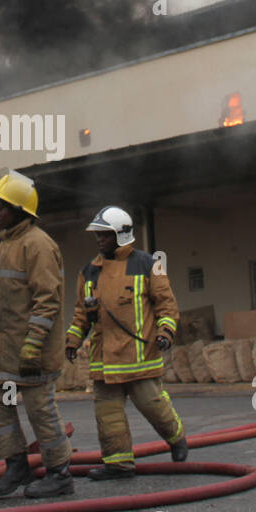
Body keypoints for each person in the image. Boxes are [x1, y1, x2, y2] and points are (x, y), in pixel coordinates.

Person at [66, 206, 188, 480]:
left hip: (139, 355)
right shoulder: (88, 272)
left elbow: (166, 305)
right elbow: (80, 313)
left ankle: (177, 438)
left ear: (121, 236)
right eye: (97, 235)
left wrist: (165, 333)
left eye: (105, 235)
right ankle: (118, 464)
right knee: (108, 415)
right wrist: (73, 339)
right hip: (104, 359)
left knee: (153, 404)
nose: (99, 240)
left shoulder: (147, 264)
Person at [0, 168, 74, 499]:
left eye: (1, 208)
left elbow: (47, 301)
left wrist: (33, 345)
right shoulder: (6, 244)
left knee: (40, 410)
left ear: (19, 210)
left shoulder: (38, 245)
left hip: (32, 352)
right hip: (5, 350)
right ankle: (16, 466)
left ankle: (60, 473)